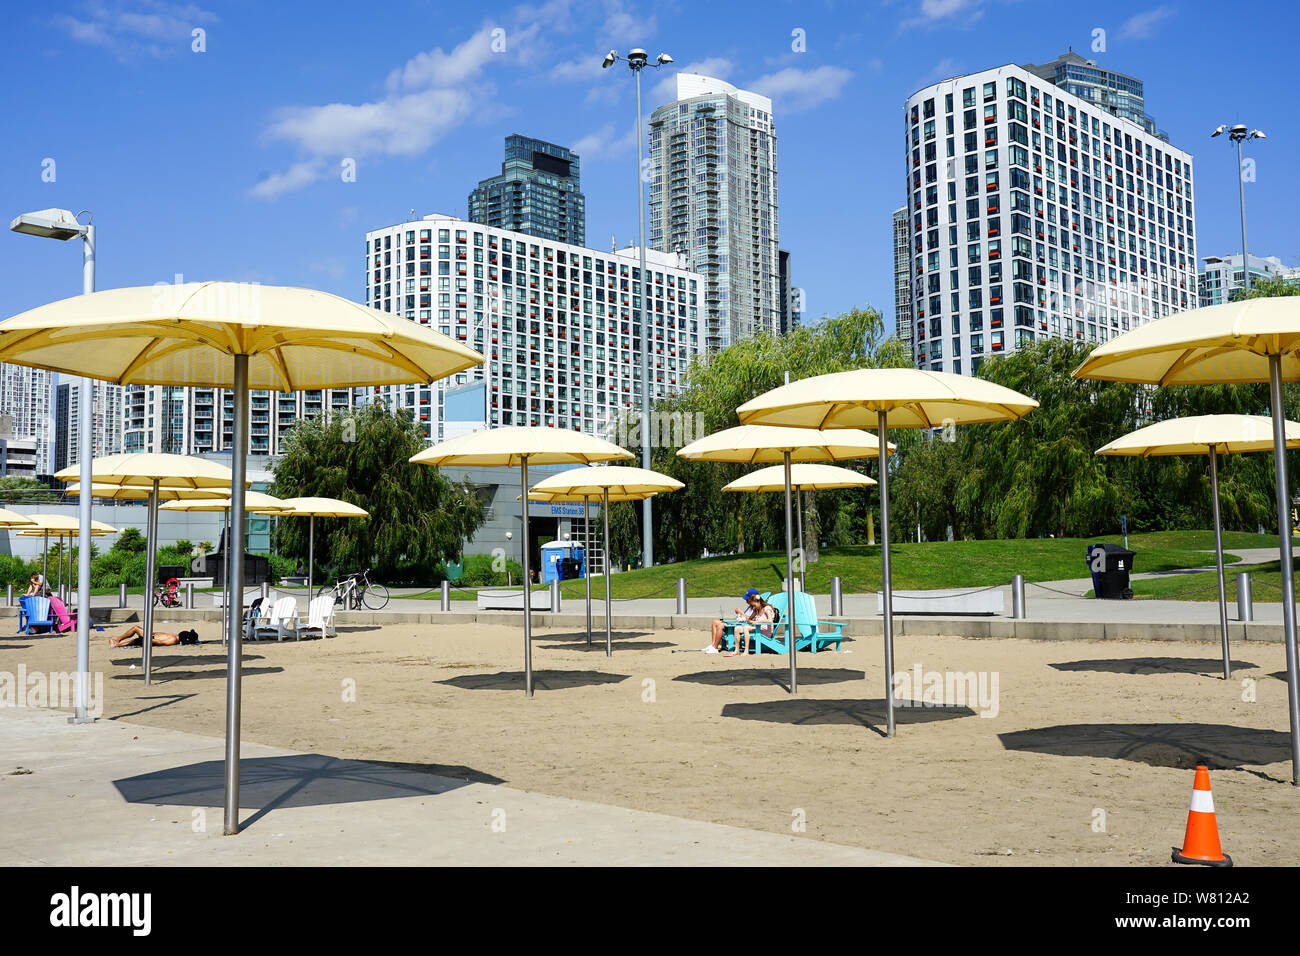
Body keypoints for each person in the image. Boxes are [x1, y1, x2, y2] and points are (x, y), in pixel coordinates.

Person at [705, 588, 766, 654]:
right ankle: (713, 645)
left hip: (742, 626)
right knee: (715, 622)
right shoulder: (750, 607)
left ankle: (715, 648)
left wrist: (742, 614)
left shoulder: (755, 607)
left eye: (747, 599)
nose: (746, 600)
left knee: (720, 625)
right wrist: (740, 613)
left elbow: (752, 619)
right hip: (739, 623)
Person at [109, 624, 199, 648]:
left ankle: (118, 639)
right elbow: (160, 634)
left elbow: (160, 642)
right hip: (151, 636)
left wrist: (148, 638)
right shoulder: (175, 636)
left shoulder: (173, 640)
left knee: (135, 628)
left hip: (151, 639)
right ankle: (116, 645)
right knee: (134, 642)